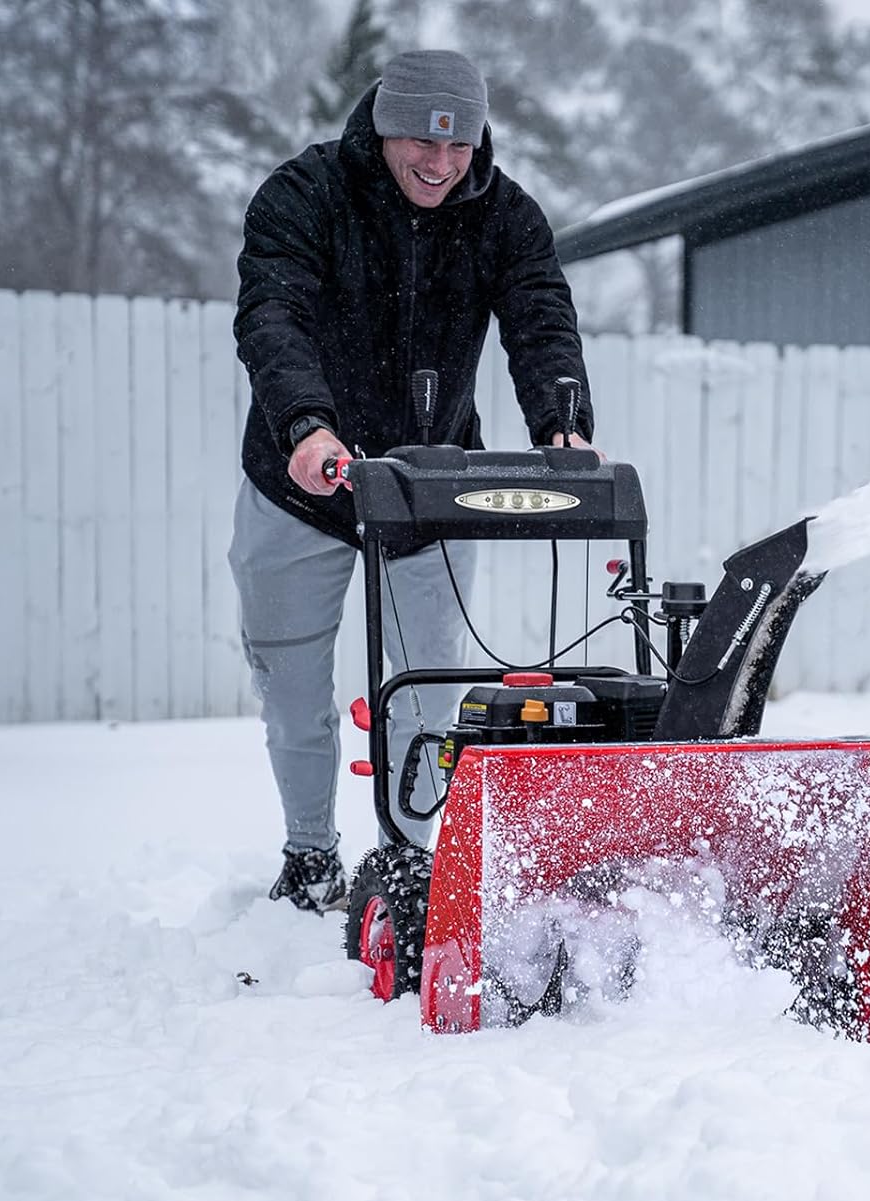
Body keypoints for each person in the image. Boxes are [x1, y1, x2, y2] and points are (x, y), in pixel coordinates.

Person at [230, 49, 596, 913]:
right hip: (301, 481)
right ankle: (311, 852)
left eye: (458, 148)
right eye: (419, 145)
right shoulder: (306, 193)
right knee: (290, 683)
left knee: (431, 691)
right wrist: (306, 426)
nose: (438, 165)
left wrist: (563, 421)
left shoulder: (504, 217)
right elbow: (270, 314)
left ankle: (408, 863)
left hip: (431, 486)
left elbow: (540, 315)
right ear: (383, 128)